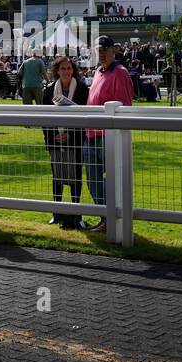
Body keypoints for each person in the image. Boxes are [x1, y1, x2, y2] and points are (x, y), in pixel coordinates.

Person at [81, 36, 134, 233]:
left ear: (114, 50)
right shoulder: (98, 72)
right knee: (93, 181)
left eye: (105, 49)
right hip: (91, 135)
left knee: (112, 180)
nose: (101, 53)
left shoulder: (120, 73)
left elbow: (125, 106)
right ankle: (105, 218)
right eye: (99, 50)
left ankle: (114, 219)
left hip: (108, 136)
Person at [43, 55, 89, 228]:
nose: (66, 71)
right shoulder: (48, 90)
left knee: (76, 177)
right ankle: (57, 214)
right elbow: (44, 118)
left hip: (75, 141)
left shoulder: (82, 89)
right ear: (57, 71)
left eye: (69, 68)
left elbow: (85, 116)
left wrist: (69, 134)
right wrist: (52, 136)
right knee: (57, 177)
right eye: (63, 68)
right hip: (55, 141)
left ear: (73, 70)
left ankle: (77, 215)